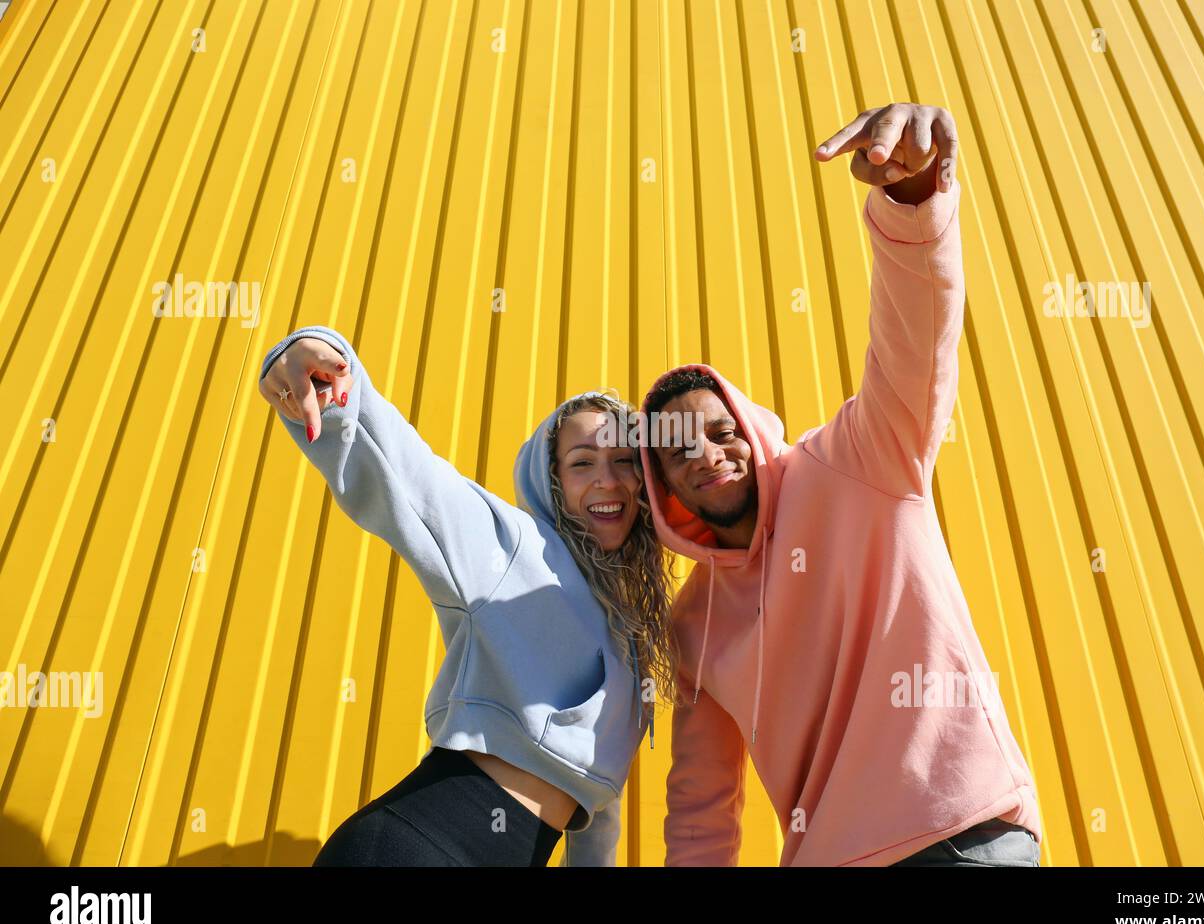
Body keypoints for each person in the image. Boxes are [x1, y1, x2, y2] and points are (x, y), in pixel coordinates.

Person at [641, 103, 1042, 866]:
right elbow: (700, 806)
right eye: (678, 450)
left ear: (750, 429)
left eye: (721, 430)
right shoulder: (694, 629)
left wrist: (912, 203)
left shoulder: (860, 460)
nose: (708, 453)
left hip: (962, 837)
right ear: (664, 488)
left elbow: (914, 334)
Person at [256, 325, 677, 866]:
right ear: (552, 482)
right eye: (581, 462)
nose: (607, 480)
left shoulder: (630, 636)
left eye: (624, 461)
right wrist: (322, 369)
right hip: (416, 849)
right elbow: (411, 479)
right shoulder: (517, 548)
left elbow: (596, 800)